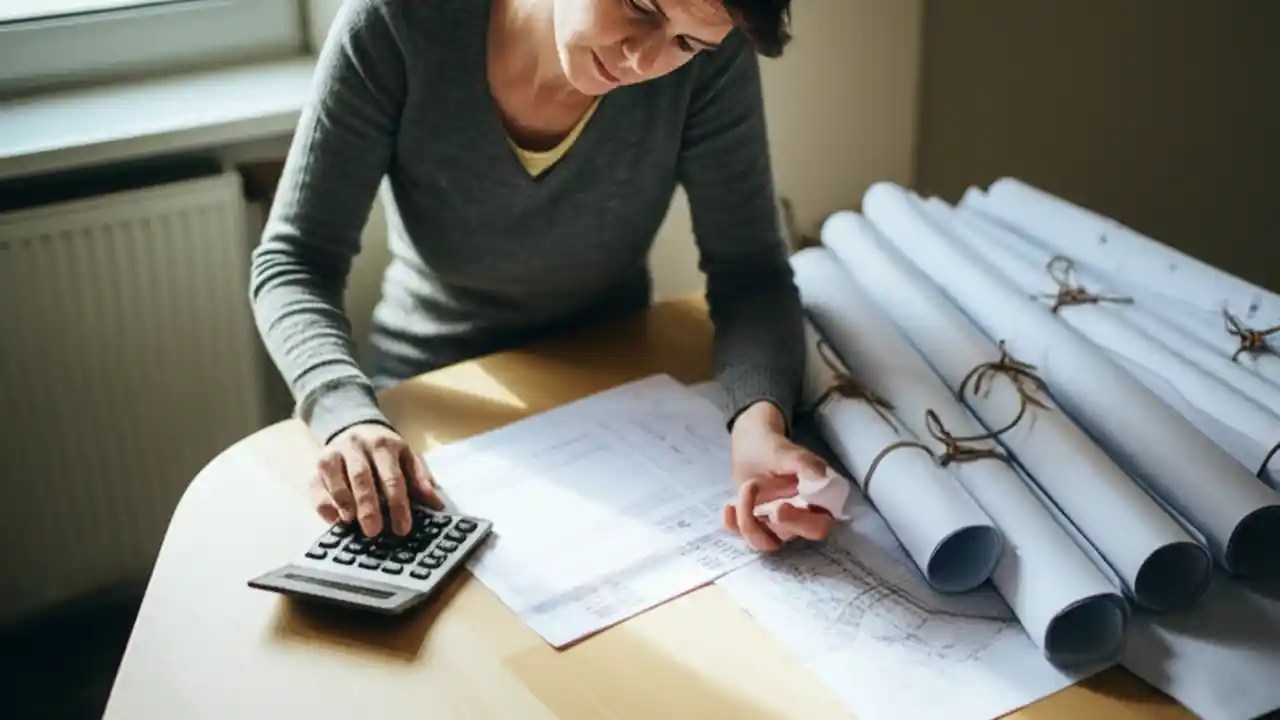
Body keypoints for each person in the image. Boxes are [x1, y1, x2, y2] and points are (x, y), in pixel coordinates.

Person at [250, 0, 833, 554]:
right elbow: (296, 260)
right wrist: (344, 414)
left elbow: (751, 273)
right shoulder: (398, 21)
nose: (643, 59)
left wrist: (758, 424)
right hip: (431, 398)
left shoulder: (714, 59)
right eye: (639, 7)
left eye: (685, 43)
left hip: (616, 393)